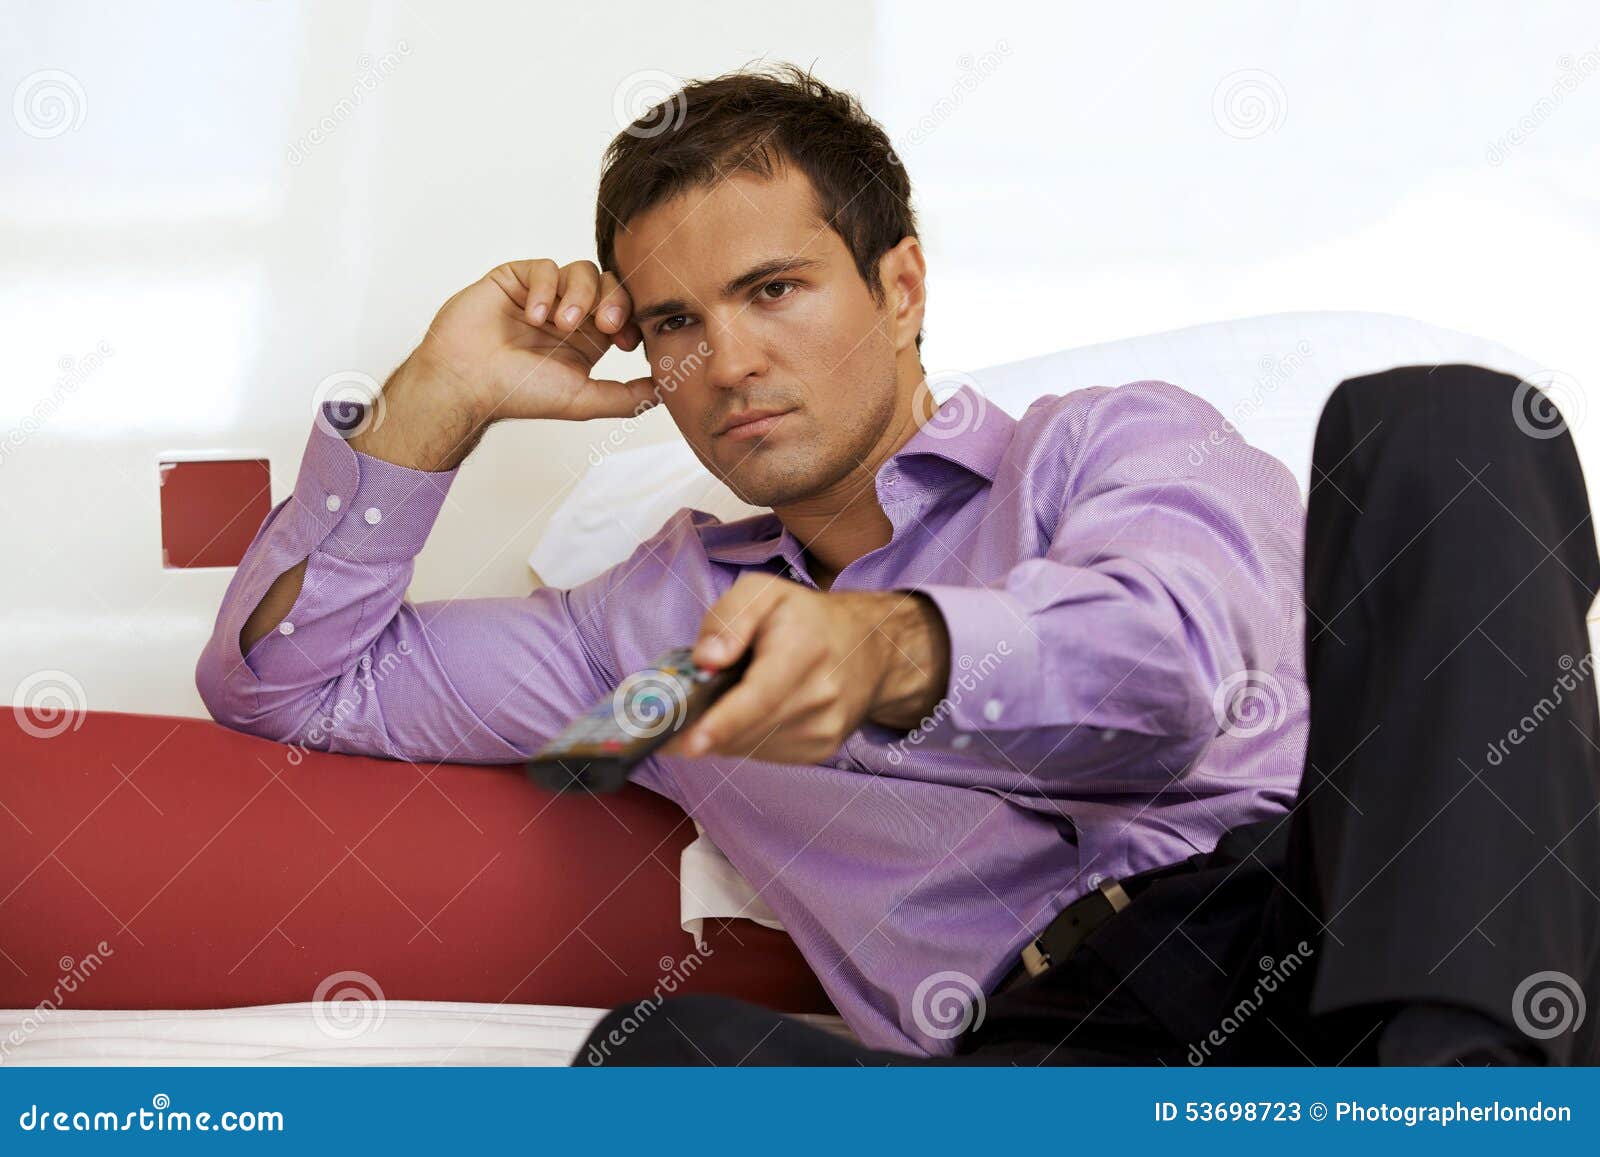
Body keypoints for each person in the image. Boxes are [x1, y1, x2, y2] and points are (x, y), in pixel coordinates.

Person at [195, 66, 1599, 1065]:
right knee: (663, 1056)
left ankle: (1454, 1098)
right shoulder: (650, 628)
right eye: (676, 321)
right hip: (1033, 1061)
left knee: (1443, 427)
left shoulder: (1114, 448)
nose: (727, 360)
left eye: (773, 291)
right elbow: (299, 688)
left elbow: (1172, 669)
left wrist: (892, 650)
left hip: (1326, 937)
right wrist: (435, 397)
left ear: (902, 287)